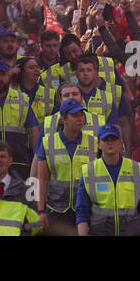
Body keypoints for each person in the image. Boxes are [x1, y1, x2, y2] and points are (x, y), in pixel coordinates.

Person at [75, 124, 140, 236]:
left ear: (120, 143)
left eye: (113, 139)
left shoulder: (136, 170)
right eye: (105, 139)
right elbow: (82, 212)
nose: (110, 142)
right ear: (99, 144)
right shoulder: (89, 172)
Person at [32, 98, 97, 235]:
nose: (80, 118)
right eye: (74, 115)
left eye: (81, 114)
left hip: (84, 209)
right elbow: (42, 179)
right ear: (63, 119)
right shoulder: (48, 142)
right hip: (56, 209)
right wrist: (41, 210)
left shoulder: (93, 143)